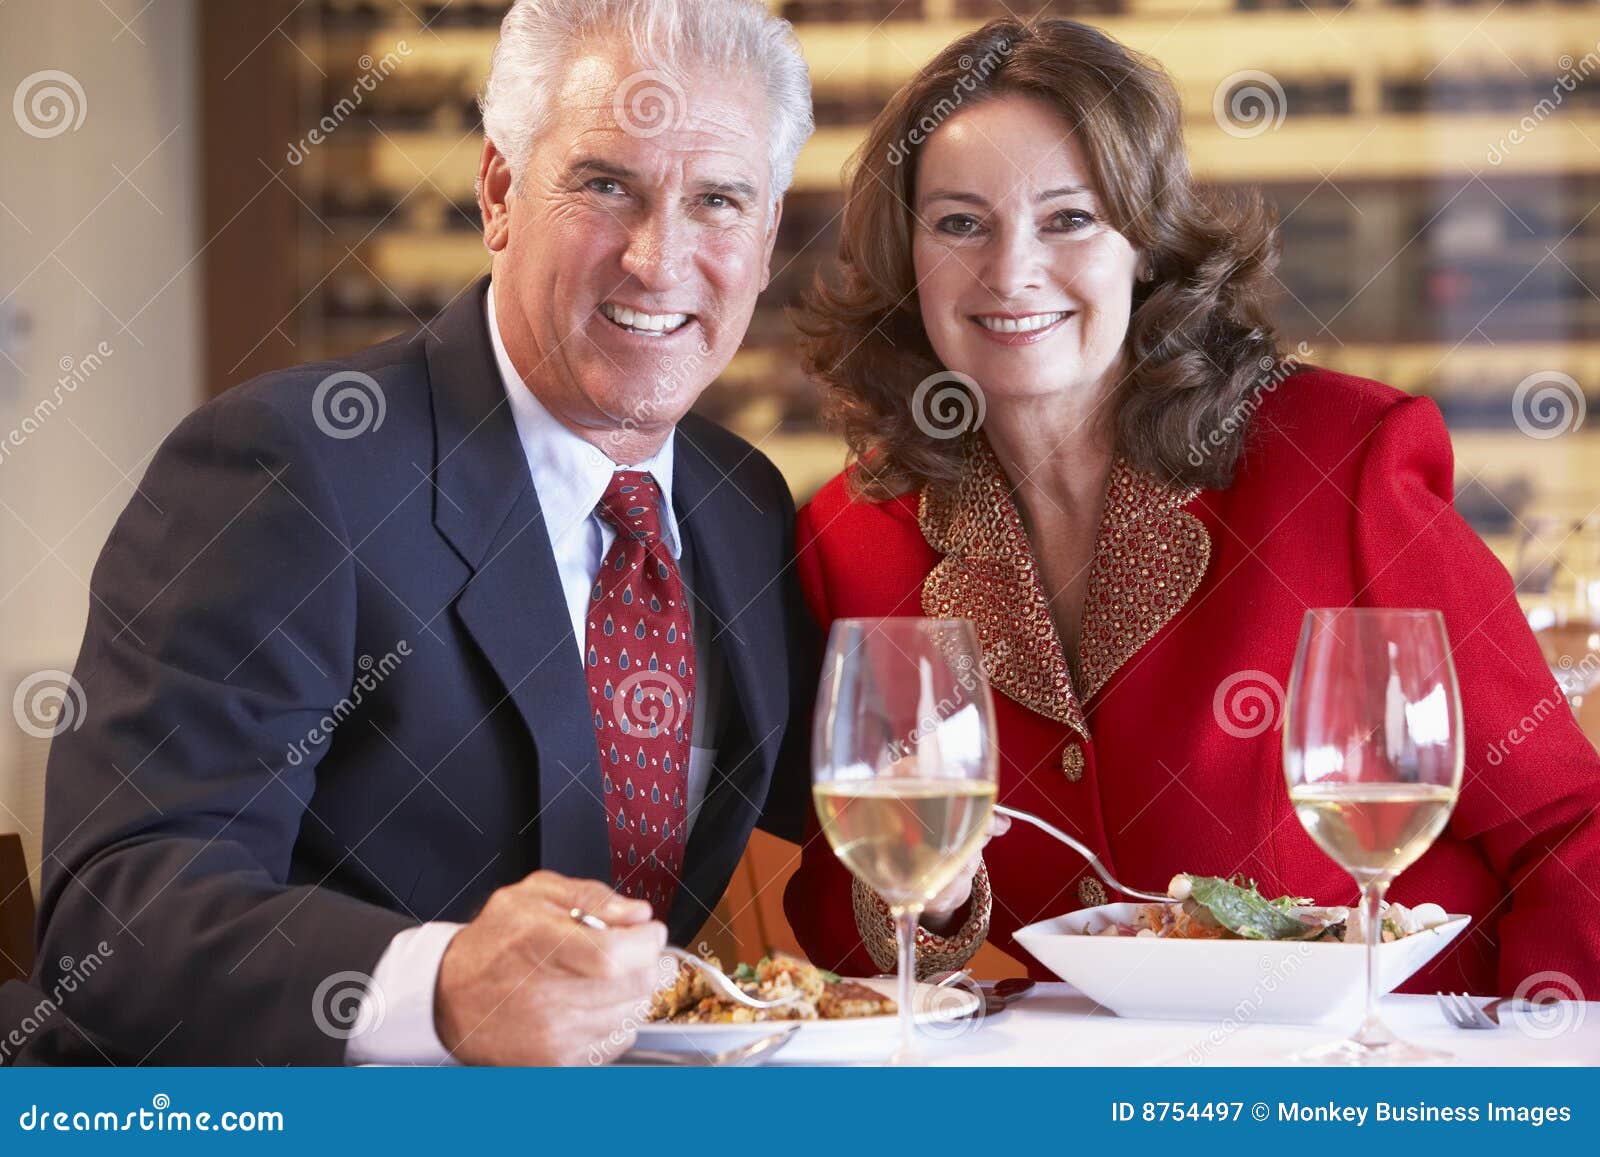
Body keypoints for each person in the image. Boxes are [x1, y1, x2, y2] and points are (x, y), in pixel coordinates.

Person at [34, 0, 817, 1065]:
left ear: (765, 239)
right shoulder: (294, 466)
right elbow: (119, 916)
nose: (657, 258)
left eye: (718, 200)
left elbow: (867, 816)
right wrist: (441, 986)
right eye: (605, 186)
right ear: (498, 193)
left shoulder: (742, 503)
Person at [782, 17, 1600, 997]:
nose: (1010, 271)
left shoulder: (1339, 461)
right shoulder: (854, 534)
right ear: (905, 255)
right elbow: (837, 919)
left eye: (1068, 218)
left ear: (1144, 245)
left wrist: (1537, 1051)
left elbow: (1566, 825)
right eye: (960, 223)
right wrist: (931, 896)